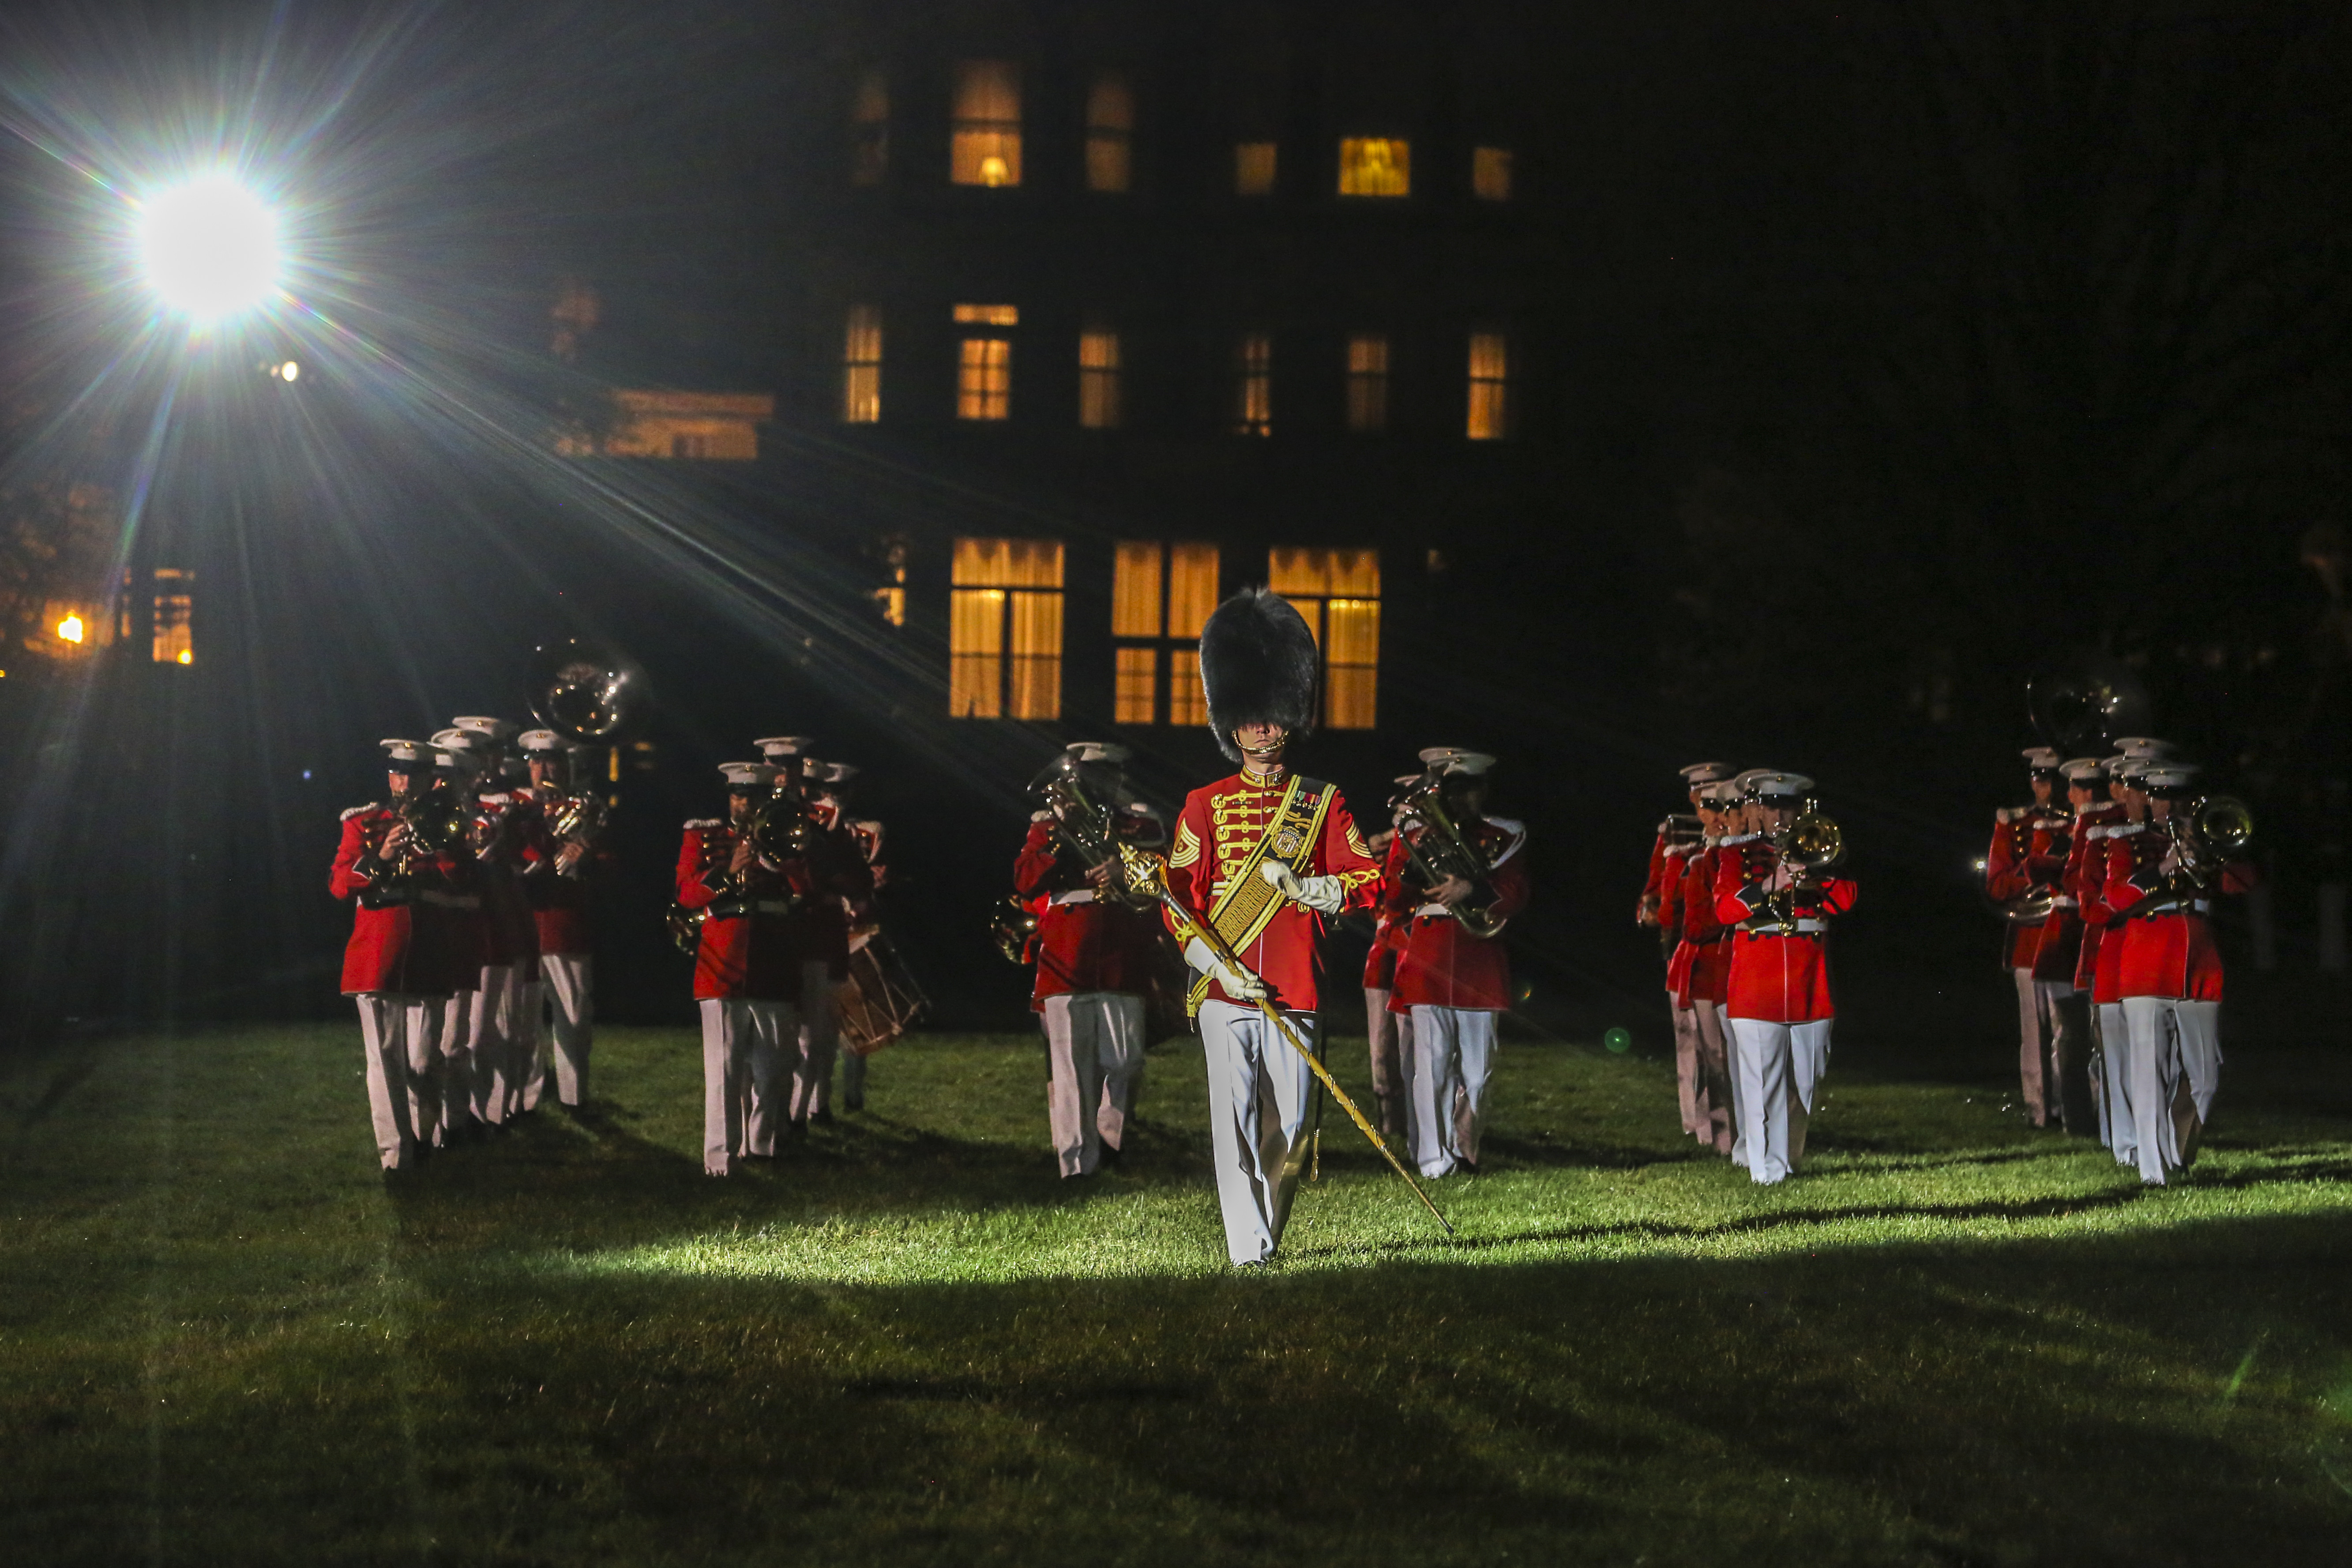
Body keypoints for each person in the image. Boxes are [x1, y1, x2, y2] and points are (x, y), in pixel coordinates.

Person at [1165, 586, 1383, 1266]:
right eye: (1249, 716)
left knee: (1289, 1127)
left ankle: (1267, 1233)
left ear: (1291, 717)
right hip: (1227, 990)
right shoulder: (1202, 806)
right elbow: (1177, 904)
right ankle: (1250, 1252)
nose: (1261, 728)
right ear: (1230, 722)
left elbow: (1370, 881)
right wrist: (1218, 967)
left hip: (1297, 985)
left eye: (1272, 715)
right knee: (1232, 1129)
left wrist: (1315, 888)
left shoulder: (1321, 803)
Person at [1013, 741, 1166, 1177]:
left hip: (1121, 951)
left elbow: (1163, 871)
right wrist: (1060, 837)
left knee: (1127, 1060)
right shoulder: (1046, 825)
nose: (1099, 786)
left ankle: (1108, 1138)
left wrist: (1124, 868)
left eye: (1107, 778)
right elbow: (1025, 880)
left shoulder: (1138, 819)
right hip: (1067, 950)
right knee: (1070, 1068)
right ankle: (1076, 1165)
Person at [2104, 761, 2257, 1185]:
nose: (2169, 806)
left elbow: (2243, 884)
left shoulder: (2208, 839)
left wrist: (2218, 850)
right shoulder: (2127, 842)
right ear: (2150, 799)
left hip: (2199, 958)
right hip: (2148, 955)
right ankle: (2155, 1173)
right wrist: (2165, 867)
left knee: (2206, 1075)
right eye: (2161, 797)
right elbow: (2115, 895)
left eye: (2178, 797)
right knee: (2148, 1075)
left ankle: (2175, 1152)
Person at [1381, 748, 1529, 1179]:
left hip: (1478, 955)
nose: (1460, 797)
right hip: (1429, 953)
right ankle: (1434, 1160)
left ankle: (1465, 1148)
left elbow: (1515, 891)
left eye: (1468, 788)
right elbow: (1393, 900)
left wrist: (1470, 889)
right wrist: (1407, 871)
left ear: (1483, 790)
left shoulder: (1505, 833)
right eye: (1452, 789)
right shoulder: (1418, 835)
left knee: (1478, 1074)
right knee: (1431, 1066)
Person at [1714, 771, 1856, 1184]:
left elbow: (1846, 900)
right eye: (1771, 806)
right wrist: (1770, 885)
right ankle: (1767, 1173)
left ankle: (1789, 1160)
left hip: (1810, 977)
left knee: (1807, 1082)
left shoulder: (1821, 850)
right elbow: (1724, 910)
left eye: (1788, 807)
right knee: (1762, 1084)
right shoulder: (1736, 854)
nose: (1779, 814)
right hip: (1758, 976)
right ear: (1755, 808)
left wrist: (1817, 874)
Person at [328, 740, 465, 1171]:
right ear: (390, 776)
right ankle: (396, 1158)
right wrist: (382, 855)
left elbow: (464, 879)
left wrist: (435, 848)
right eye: (398, 774)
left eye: (414, 775)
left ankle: (424, 1137)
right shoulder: (363, 823)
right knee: (385, 1062)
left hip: (427, 952)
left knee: (426, 1061)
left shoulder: (448, 823)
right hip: (377, 955)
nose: (404, 783)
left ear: (431, 779)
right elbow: (339, 883)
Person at [676, 761, 804, 1176]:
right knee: (724, 1069)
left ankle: (763, 1148)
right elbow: (687, 893)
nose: (744, 803)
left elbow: (809, 887)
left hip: (773, 957)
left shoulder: (789, 835)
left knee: (774, 1067)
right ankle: (720, 1160)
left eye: (753, 796)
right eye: (738, 795)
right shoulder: (705, 835)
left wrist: (778, 863)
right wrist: (726, 871)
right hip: (723, 960)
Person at [1985, 746, 2081, 1128]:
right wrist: (2032, 879)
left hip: (2069, 932)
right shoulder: (2013, 823)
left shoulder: (2078, 823)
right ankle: (2041, 1111)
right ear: (2032, 782)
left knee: (2072, 1028)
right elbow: (1996, 882)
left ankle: (2077, 1105)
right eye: (2040, 780)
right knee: (2035, 1030)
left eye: (2054, 780)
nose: (2047, 788)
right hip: (2029, 937)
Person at [519, 729, 599, 1108]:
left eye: (551, 761)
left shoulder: (586, 808)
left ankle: (574, 1097)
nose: (543, 768)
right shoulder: (517, 806)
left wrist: (586, 857)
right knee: (524, 1020)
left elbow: (610, 862)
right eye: (536, 761)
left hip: (566, 924)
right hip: (522, 924)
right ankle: (529, 1096)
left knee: (574, 1015)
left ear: (567, 766)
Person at [1670, 779, 1743, 1155]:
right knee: (1715, 1058)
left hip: (1747, 968)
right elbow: (1694, 924)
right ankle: (1723, 1137)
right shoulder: (1703, 862)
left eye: (1728, 812)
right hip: (1711, 968)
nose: (1719, 820)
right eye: (1713, 811)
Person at [1361, 775, 1422, 1142]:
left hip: (1420, 949)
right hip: (1385, 951)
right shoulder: (1386, 845)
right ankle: (1390, 1123)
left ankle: (1420, 1120)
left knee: (1415, 1047)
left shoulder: (1428, 845)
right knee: (1381, 1047)